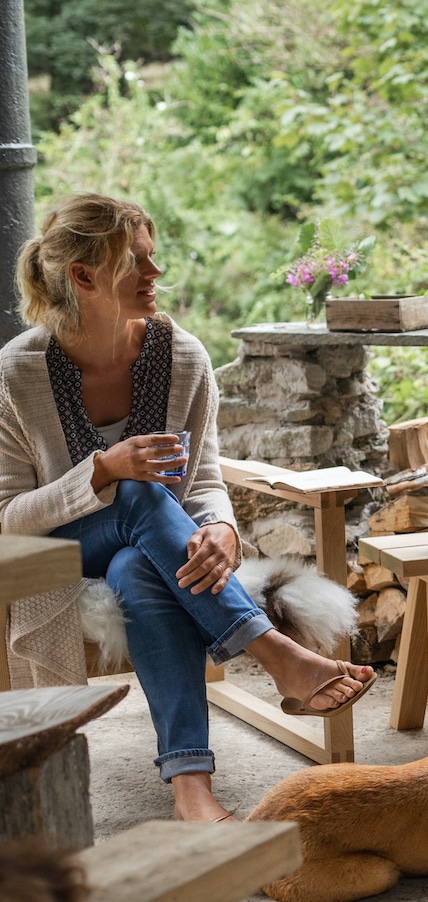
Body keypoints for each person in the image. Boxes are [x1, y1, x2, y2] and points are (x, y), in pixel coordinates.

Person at [0, 194, 377, 823]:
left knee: (136, 567)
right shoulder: (18, 373)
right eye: (136, 263)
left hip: (153, 551)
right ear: (83, 277)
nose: (155, 274)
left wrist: (223, 527)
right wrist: (101, 471)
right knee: (137, 492)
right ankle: (276, 654)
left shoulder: (183, 358)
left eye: (153, 258)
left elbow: (202, 480)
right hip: (54, 556)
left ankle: (191, 789)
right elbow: (8, 516)